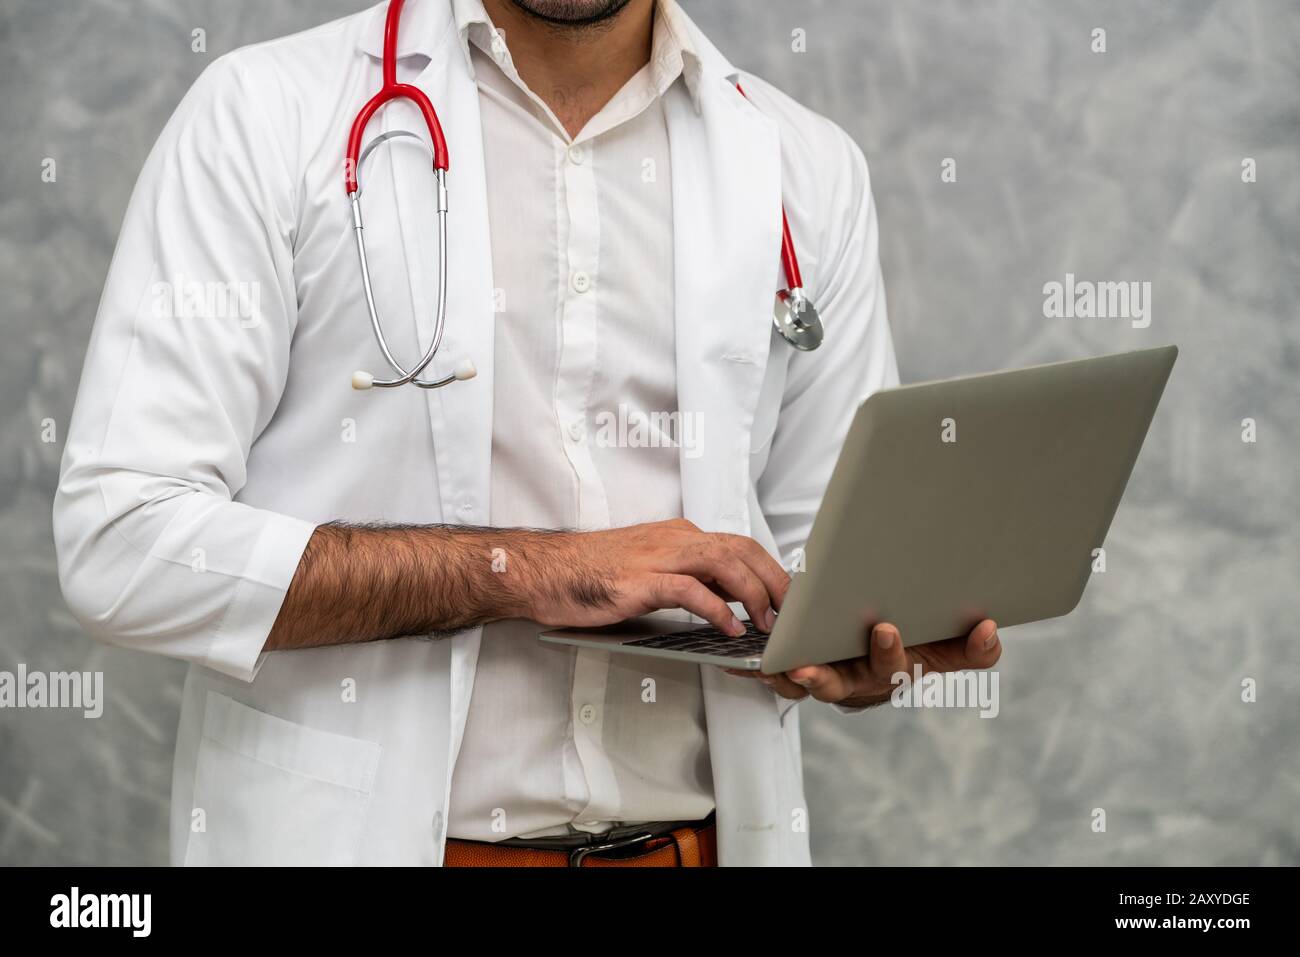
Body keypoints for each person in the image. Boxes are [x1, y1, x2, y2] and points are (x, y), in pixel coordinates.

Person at [53, 0, 1000, 867]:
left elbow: (817, 555)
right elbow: (121, 541)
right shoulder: (265, 116)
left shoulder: (804, 165)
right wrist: (529, 569)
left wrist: (862, 642)